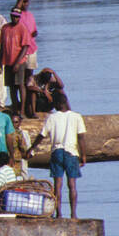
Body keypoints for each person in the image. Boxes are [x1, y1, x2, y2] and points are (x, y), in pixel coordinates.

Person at [25, 91, 86, 219]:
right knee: (72, 185)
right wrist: (83, 155)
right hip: (71, 153)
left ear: (57, 104)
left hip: (57, 152)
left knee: (58, 185)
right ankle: (73, 214)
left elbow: (42, 135)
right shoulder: (76, 116)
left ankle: (59, 213)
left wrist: (31, 148)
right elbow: (81, 138)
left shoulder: (52, 118)